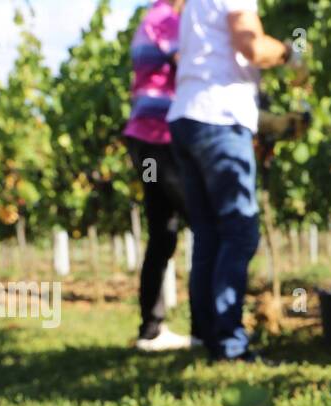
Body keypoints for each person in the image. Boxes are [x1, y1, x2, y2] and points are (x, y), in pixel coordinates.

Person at [166, 0, 293, 363]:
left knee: (209, 233)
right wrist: (287, 51)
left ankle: (210, 336)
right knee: (239, 231)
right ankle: (230, 343)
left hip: (187, 117)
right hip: (218, 117)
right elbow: (251, 46)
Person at [125, 0, 194, 353]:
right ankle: (208, 325)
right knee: (202, 220)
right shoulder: (166, 19)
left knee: (163, 232)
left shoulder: (150, 17)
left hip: (144, 142)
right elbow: (188, 66)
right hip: (156, 140)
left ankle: (151, 329)